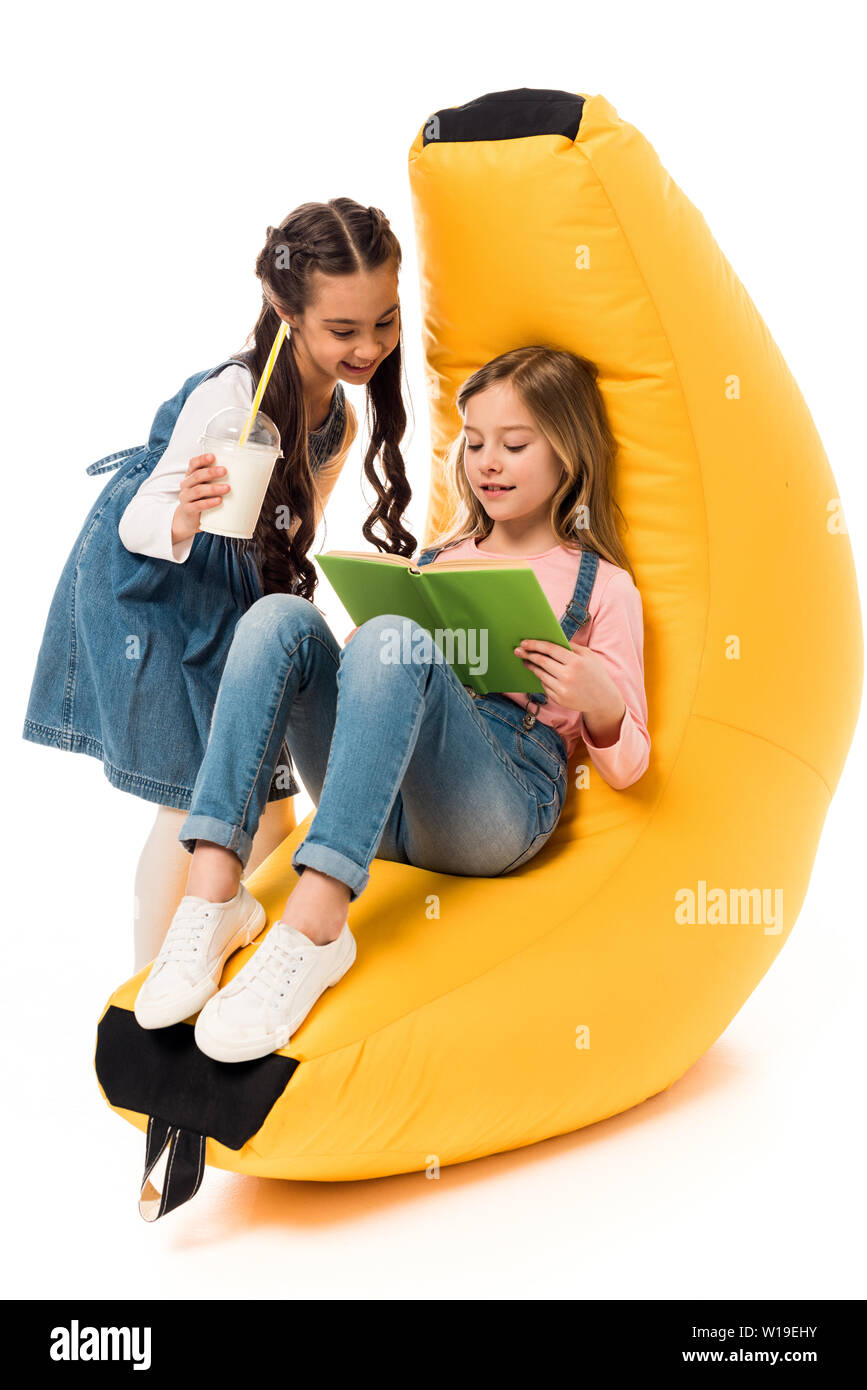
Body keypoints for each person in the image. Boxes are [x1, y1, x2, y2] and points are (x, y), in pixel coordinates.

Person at [134, 345, 651, 1062]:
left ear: (568, 451)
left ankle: (316, 927)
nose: (487, 462)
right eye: (472, 443)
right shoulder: (440, 556)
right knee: (278, 620)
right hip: (379, 805)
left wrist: (600, 703)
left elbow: (632, 767)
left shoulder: (601, 585)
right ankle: (216, 888)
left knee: (393, 641)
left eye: (513, 444)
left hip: (494, 805)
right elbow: (371, 689)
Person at [21, 198, 417, 971]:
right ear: (284, 310)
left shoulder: (337, 418)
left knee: (269, 808)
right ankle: (148, 998)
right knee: (196, 798)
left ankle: (226, 980)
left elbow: (294, 531)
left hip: (237, 601)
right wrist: (188, 514)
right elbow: (140, 520)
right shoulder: (229, 399)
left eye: (386, 321)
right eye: (343, 330)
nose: (369, 346)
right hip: (157, 591)